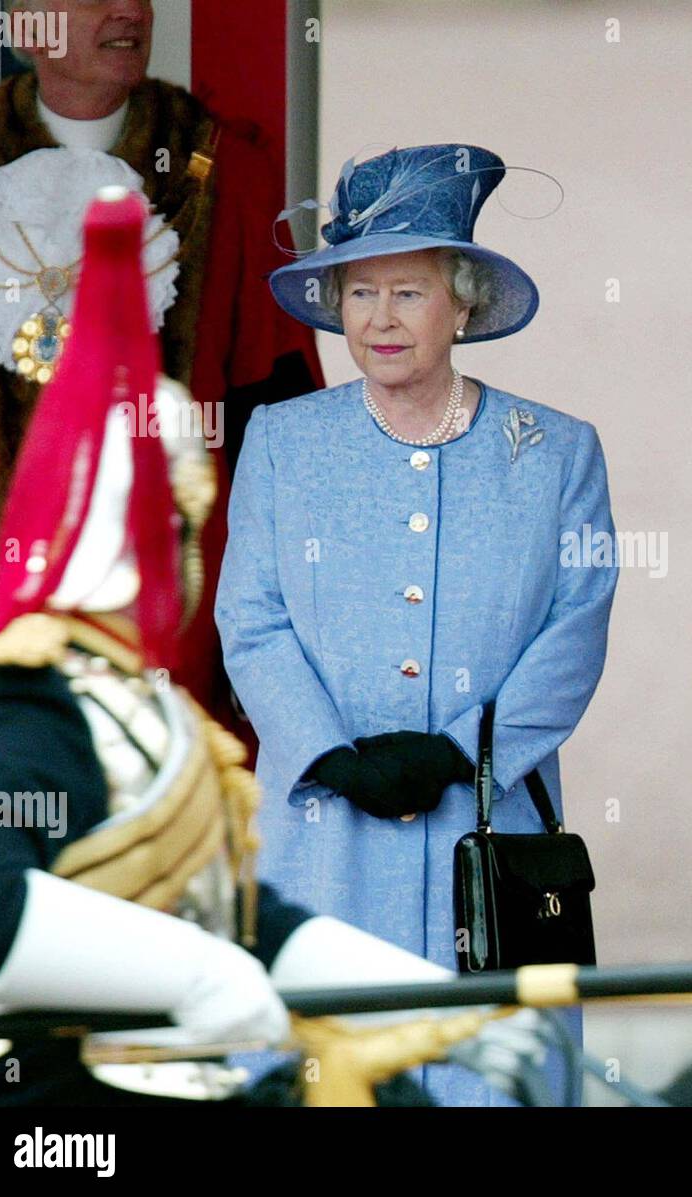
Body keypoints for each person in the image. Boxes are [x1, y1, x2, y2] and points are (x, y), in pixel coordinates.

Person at [0, 188, 542, 1107]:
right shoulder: (21, 702)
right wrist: (200, 975)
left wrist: (442, 1008)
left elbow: (243, 917)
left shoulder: (148, 715)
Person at [215, 143, 618, 1106]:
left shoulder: (556, 452)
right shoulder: (285, 441)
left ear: (463, 303)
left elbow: (578, 623)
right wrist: (332, 752)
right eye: (360, 294)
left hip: (488, 837)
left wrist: (456, 753)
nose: (380, 319)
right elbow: (251, 619)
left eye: (408, 293)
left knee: (489, 1085)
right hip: (322, 837)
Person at [0, 0, 322, 723]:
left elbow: (276, 411)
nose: (129, 9)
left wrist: (280, 620)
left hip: (174, 599)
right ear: (28, 26)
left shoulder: (229, 172)